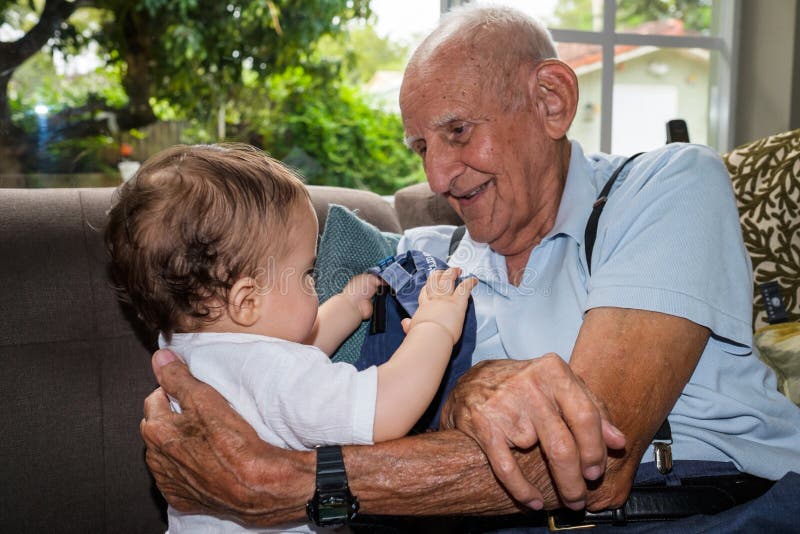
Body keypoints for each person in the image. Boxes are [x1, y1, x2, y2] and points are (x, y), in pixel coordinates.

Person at [140, 5, 800, 531]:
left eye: (457, 132)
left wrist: (288, 482)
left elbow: (587, 463)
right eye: (422, 146)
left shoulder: (665, 186)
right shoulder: (424, 262)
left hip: (705, 507)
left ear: (551, 100)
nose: (438, 174)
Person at [105, 143, 477, 532]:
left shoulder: (187, 350)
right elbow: (387, 407)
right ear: (246, 301)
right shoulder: (276, 372)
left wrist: (347, 306)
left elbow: (288, 365)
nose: (314, 284)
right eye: (307, 273)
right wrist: (435, 325)